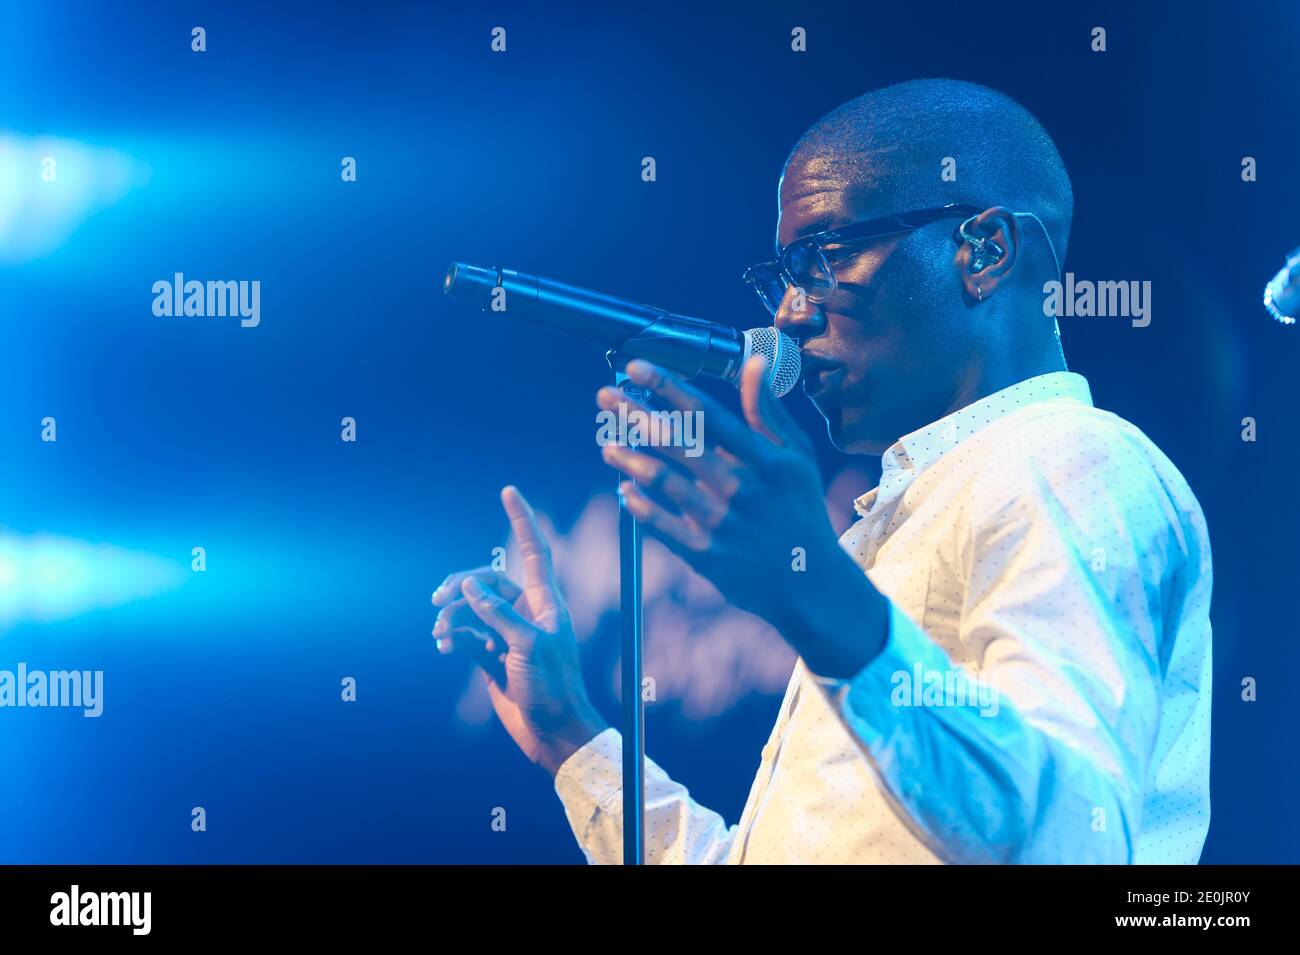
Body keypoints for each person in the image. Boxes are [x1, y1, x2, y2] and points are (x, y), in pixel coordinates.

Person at [431, 79, 1213, 864]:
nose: (788, 316)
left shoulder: (1070, 459)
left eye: (824, 258)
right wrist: (573, 737)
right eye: (784, 276)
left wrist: (820, 602)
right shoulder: (915, 507)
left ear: (985, 252)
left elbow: (1074, 841)